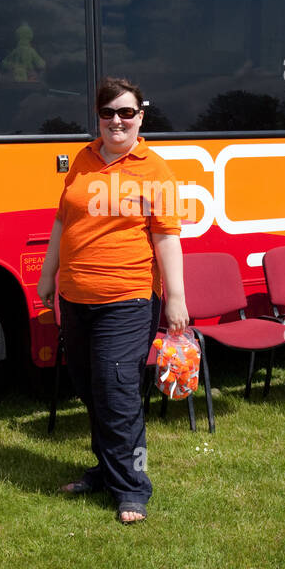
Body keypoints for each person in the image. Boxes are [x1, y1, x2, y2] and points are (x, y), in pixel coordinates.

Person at [36, 77, 188, 524]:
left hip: (128, 298)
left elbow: (166, 237)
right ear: (98, 117)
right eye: (108, 112)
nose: (116, 120)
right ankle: (105, 471)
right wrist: (49, 274)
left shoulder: (154, 170)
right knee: (90, 389)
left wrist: (175, 298)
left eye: (126, 112)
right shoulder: (82, 160)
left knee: (117, 392)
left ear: (141, 116)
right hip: (77, 296)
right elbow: (64, 222)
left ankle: (132, 488)